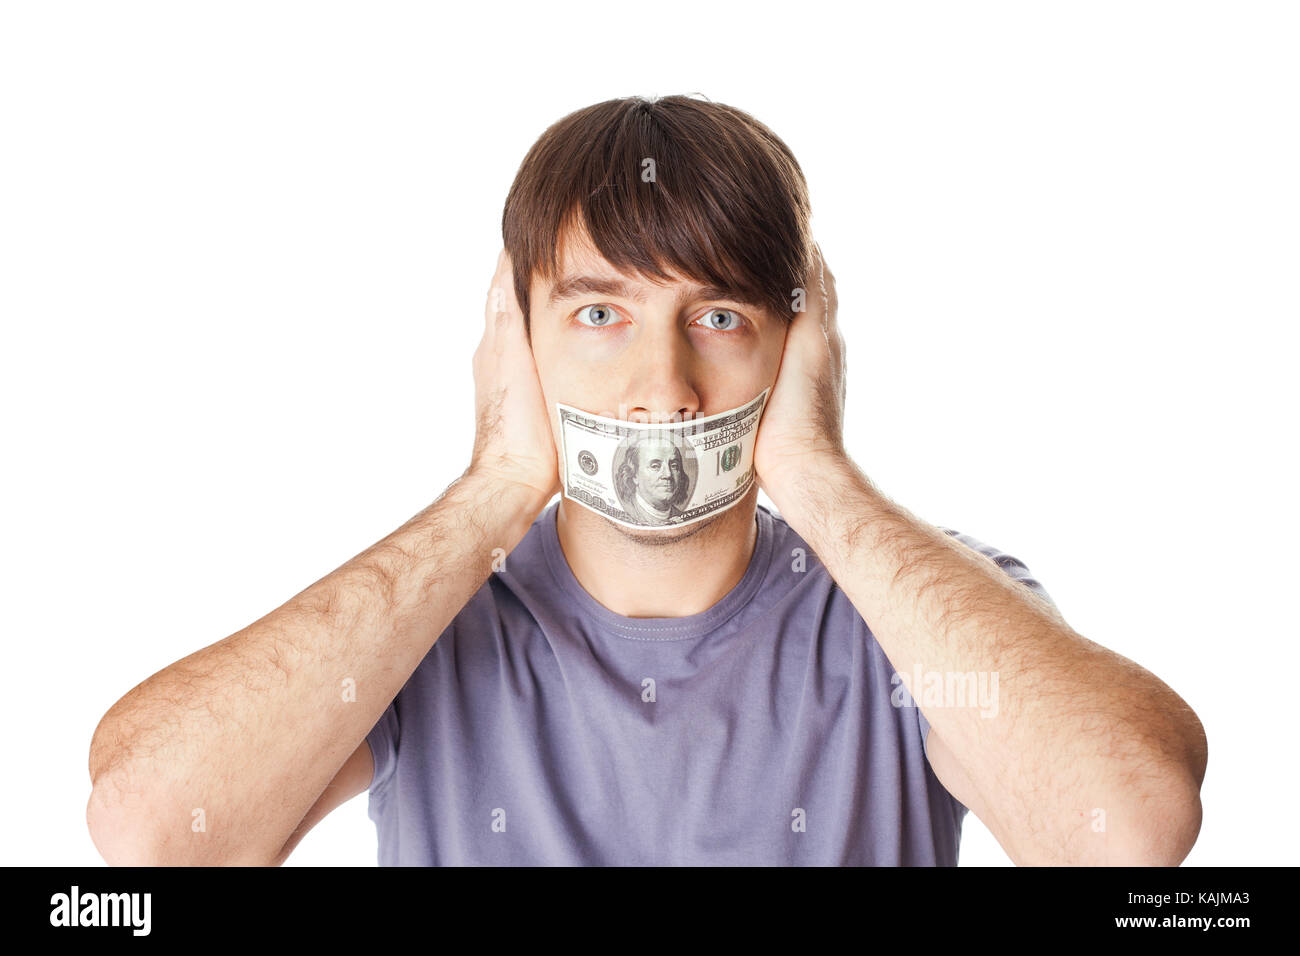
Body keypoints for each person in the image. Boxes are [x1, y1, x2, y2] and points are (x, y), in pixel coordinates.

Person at [86, 95, 1207, 867]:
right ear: (516, 339)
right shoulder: (418, 623)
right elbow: (143, 829)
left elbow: (1134, 825)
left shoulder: (913, 615)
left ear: (795, 346)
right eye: (597, 313)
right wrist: (496, 485)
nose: (661, 387)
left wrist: (815, 469)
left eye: (718, 316)